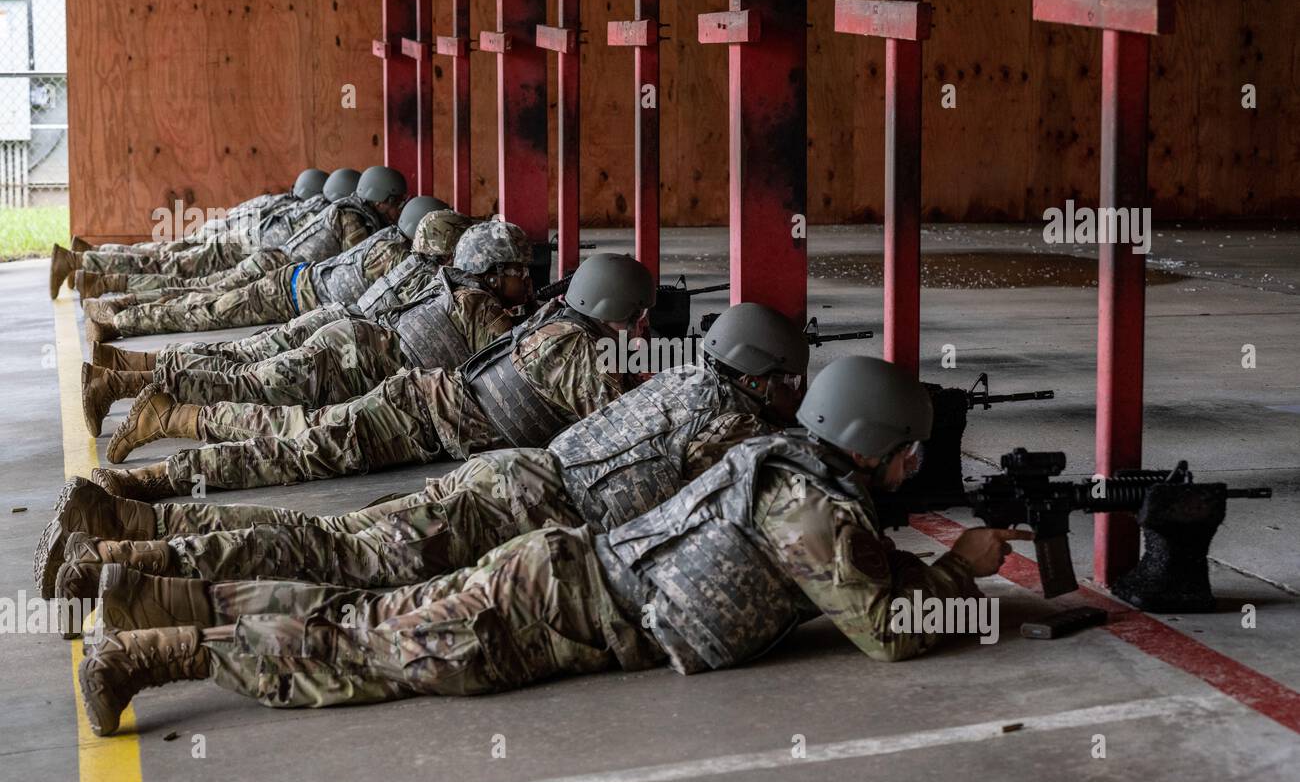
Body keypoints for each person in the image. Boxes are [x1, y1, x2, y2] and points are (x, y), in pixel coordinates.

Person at [74, 355, 1033, 736]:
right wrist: (967, 569)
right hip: (556, 608)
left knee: (353, 602)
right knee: (353, 647)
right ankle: (153, 648)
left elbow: (861, 570)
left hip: (556, 571)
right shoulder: (810, 510)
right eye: (908, 453)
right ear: (876, 451)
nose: (915, 468)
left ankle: (148, 591)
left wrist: (937, 567)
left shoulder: (783, 463)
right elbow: (890, 629)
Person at [47, 302, 809, 595]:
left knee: (322, 522)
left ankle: (135, 524)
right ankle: (130, 552)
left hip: (495, 470)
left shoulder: (658, 378)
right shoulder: (727, 423)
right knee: (326, 549)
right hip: (509, 495)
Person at [89, 253, 656, 500]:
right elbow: (618, 427)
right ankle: (156, 475)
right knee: (297, 448)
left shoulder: (557, 326)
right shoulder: (576, 352)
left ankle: (168, 417)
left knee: (293, 426)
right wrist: (652, 367)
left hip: (415, 398)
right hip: (420, 417)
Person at [98, 218, 533, 459]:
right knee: (249, 384)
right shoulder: (480, 306)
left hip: (344, 336)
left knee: (237, 365)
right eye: (520, 273)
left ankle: (126, 380)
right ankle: (131, 389)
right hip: (351, 357)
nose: (528, 281)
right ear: (492, 272)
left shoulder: (443, 280)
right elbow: (515, 356)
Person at [82, 166, 412, 343]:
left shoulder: (340, 208)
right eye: (395, 202)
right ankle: (117, 315)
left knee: (196, 290)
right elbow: (358, 263)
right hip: (276, 272)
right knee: (202, 304)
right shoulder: (353, 219)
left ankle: (115, 299)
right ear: (381, 197)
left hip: (272, 265)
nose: (396, 210)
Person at [48, 168, 337, 300]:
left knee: (160, 254)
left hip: (221, 234)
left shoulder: (281, 201)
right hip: (231, 246)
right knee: (166, 266)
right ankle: (85, 264)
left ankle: (88, 256)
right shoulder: (312, 215)